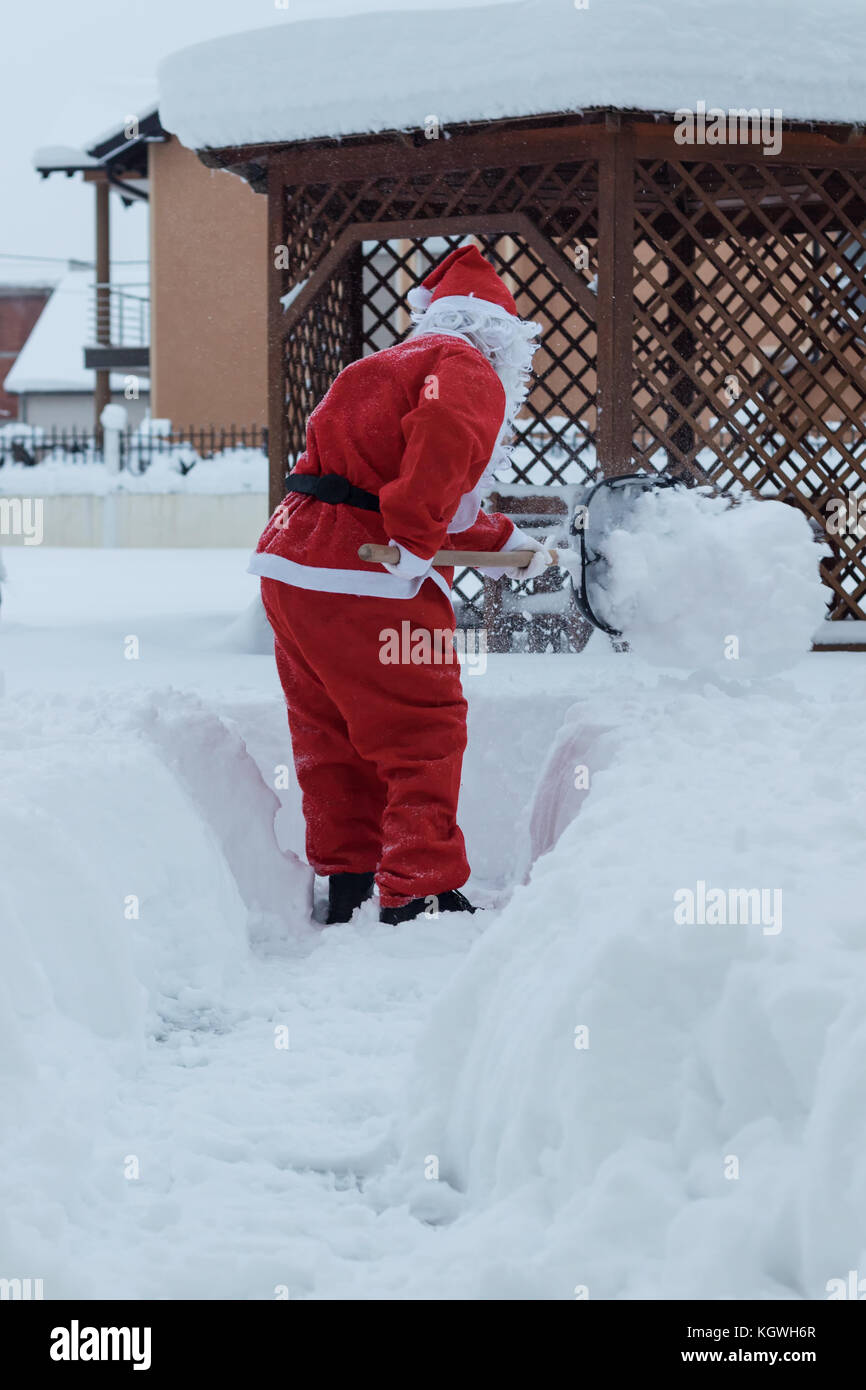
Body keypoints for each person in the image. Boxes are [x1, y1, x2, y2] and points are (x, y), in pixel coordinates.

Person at [251, 244, 550, 925]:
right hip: (367, 580)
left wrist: (512, 544)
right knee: (423, 730)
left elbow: (373, 490)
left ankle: (349, 878)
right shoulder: (465, 367)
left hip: (291, 568)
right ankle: (418, 889)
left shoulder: (377, 367)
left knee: (330, 735)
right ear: (501, 335)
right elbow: (432, 472)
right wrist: (415, 545)